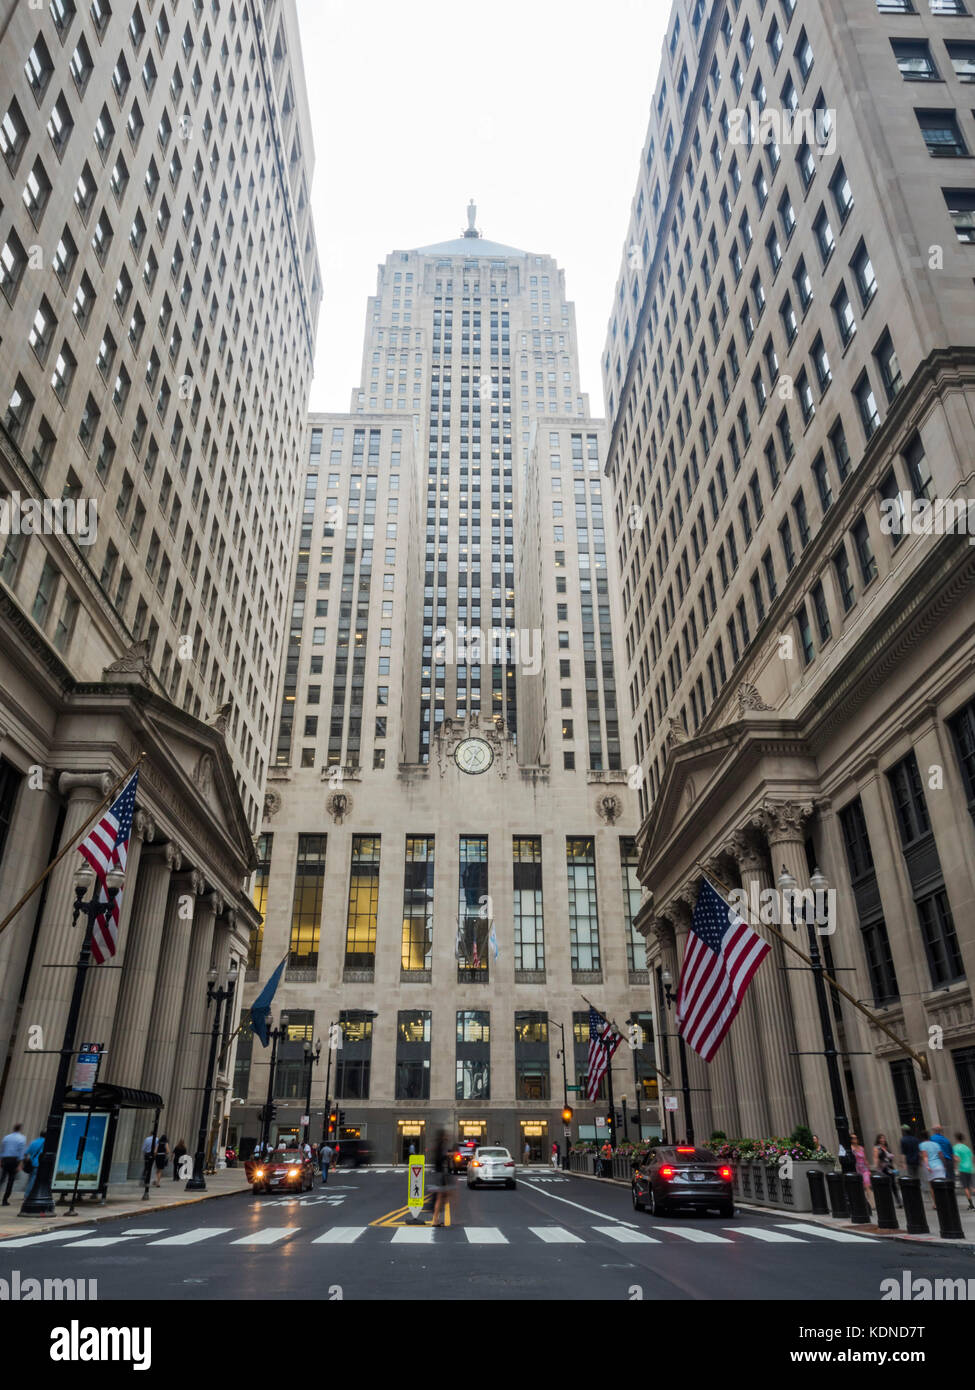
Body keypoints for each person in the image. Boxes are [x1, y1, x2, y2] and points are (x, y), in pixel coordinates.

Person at [429, 1128, 454, 1228]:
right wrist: (449, 1155)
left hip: (439, 1173)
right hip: (439, 1173)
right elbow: (440, 1158)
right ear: (443, 1136)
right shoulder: (440, 1145)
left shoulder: (439, 1145)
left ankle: (436, 1219)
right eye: (446, 1135)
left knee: (443, 1196)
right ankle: (435, 1220)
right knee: (440, 1197)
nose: (448, 1136)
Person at [919, 1129, 947, 1207]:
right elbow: (941, 1155)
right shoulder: (935, 1144)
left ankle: (936, 1203)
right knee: (942, 1184)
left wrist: (927, 1166)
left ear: (921, 1138)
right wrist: (944, 1165)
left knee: (932, 1186)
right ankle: (944, 1200)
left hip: (931, 1167)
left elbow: (925, 1156)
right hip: (939, 1165)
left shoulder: (922, 1145)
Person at [0, 1124, 27, 1206]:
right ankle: (5, 1200)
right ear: (20, 1129)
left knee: (2, 1179)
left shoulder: (6, 1137)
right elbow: (21, 1152)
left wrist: (1, 1160)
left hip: (5, 1159)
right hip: (14, 1160)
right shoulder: (22, 1138)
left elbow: (2, 1149)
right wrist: (20, 1163)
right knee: (10, 1181)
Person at [872, 1133, 901, 1208]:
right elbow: (876, 1158)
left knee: (893, 1184)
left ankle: (898, 1200)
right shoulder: (876, 1148)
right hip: (883, 1168)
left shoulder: (887, 1148)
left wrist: (894, 1166)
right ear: (878, 1140)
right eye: (881, 1138)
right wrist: (876, 1168)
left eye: (883, 1138)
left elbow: (891, 1159)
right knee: (886, 1184)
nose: (883, 1140)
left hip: (890, 1168)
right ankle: (887, 1201)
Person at [850, 1134, 873, 1211]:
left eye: (856, 1138)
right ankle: (864, 1202)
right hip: (856, 1168)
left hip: (864, 1168)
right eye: (853, 1138)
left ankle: (871, 1203)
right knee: (861, 1186)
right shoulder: (850, 1148)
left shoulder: (861, 1148)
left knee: (867, 1184)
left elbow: (865, 1159)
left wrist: (868, 1169)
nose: (855, 1139)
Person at [953, 1133, 974, 1211]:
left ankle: (971, 1205)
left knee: (966, 1187)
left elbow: (957, 1159)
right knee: (973, 1186)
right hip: (971, 1168)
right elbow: (972, 1158)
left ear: (956, 1139)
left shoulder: (955, 1148)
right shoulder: (967, 1147)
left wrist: (956, 1164)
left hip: (963, 1169)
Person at [22, 1133, 44, 1200]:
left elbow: (27, 1152)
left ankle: (27, 1194)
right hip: (40, 1163)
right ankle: (28, 1195)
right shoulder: (45, 1143)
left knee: (30, 1179)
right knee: (34, 1180)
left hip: (32, 1163)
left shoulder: (33, 1142)